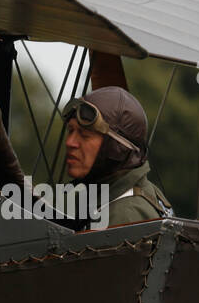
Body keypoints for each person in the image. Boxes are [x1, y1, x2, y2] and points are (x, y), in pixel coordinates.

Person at [62, 85, 171, 227]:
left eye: (84, 135)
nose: (70, 143)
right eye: (70, 131)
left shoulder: (124, 215)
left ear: (115, 148)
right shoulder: (121, 193)